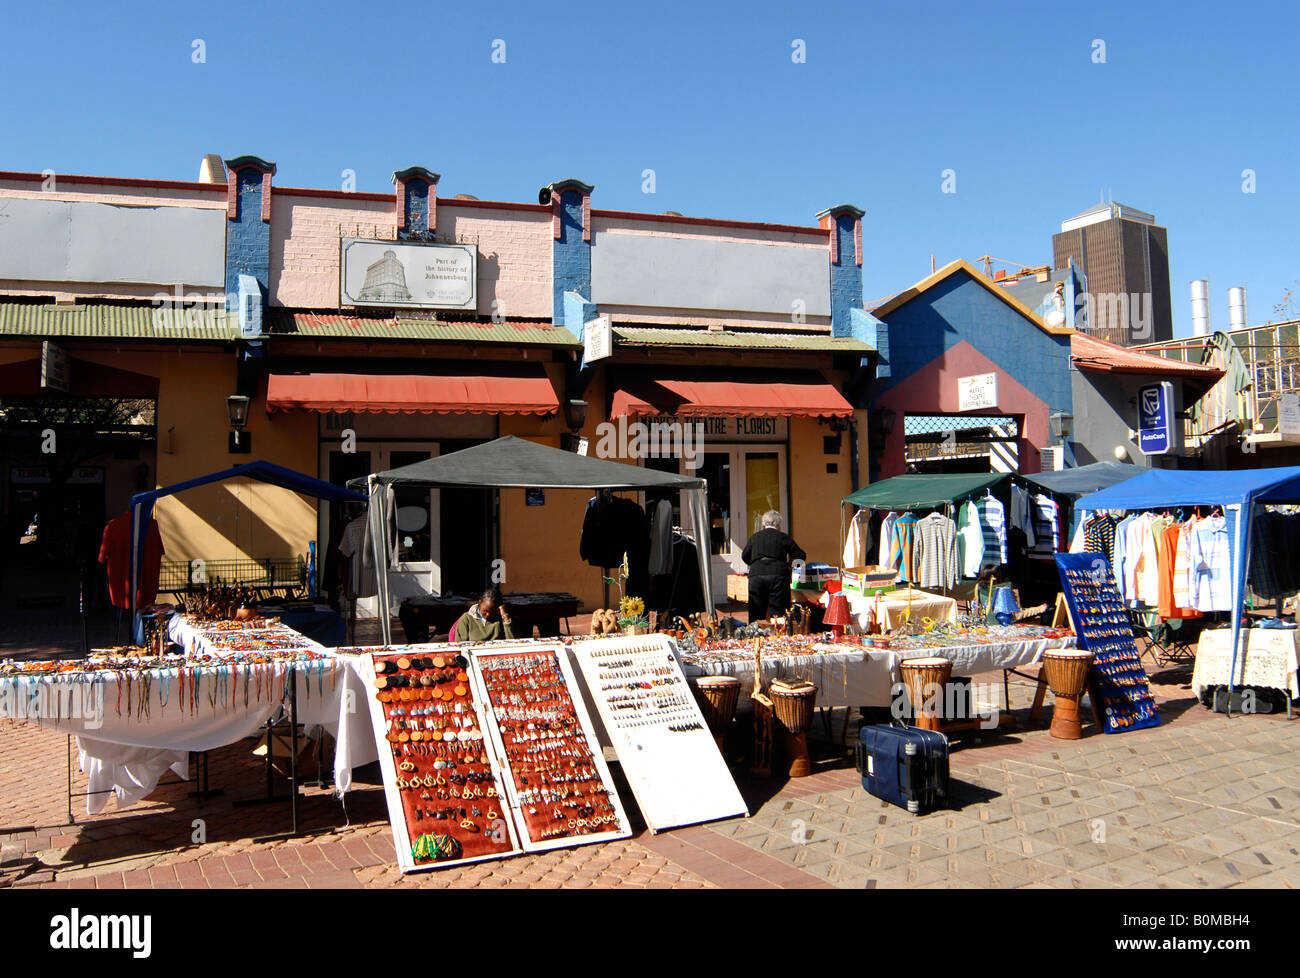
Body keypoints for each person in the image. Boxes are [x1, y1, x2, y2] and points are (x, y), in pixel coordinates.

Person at [741, 511, 806, 623]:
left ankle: (755, 636)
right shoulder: (783, 537)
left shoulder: (755, 537)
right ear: (778, 523)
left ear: (763, 523)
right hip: (778, 574)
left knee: (756, 612)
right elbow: (801, 555)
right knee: (778, 612)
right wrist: (792, 566)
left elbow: (744, 556)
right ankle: (778, 636)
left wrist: (754, 563)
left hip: (757, 575)